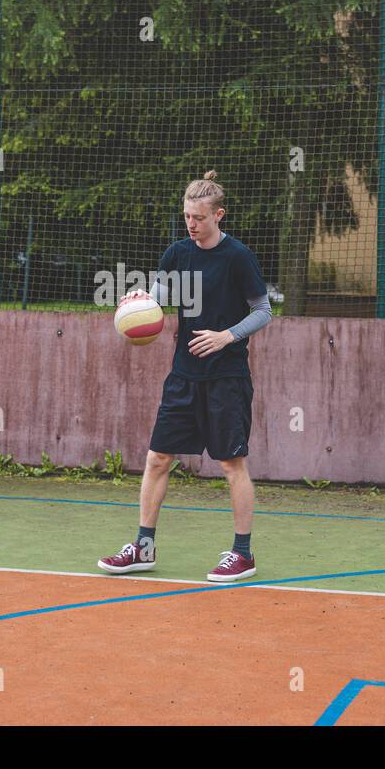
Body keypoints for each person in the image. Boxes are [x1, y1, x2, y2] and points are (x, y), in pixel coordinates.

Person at [98, 171, 272, 582]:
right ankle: (143, 546)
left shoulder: (238, 257)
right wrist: (134, 302)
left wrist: (226, 336)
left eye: (198, 217)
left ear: (218, 215)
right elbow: (156, 301)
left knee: (232, 464)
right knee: (158, 458)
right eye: (186, 216)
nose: (191, 224)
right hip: (182, 376)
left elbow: (263, 310)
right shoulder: (177, 254)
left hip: (226, 377)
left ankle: (243, 554)